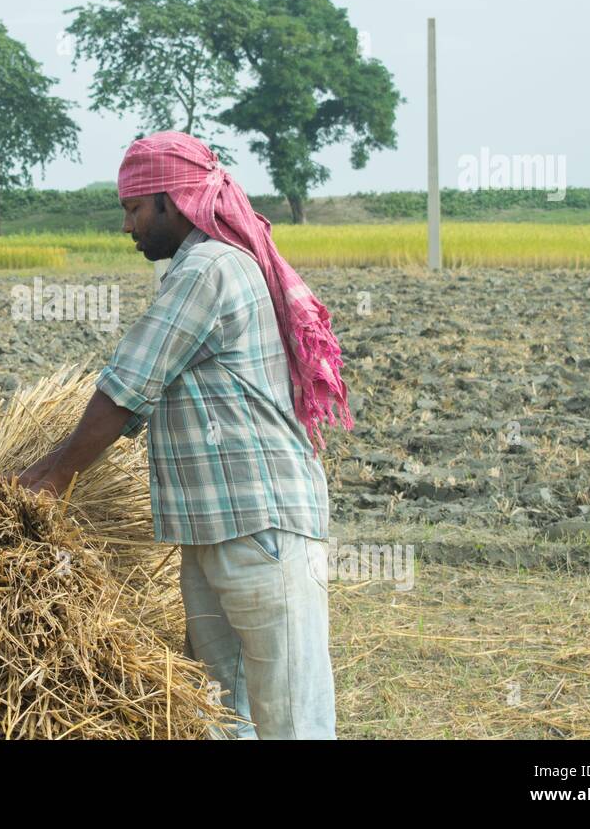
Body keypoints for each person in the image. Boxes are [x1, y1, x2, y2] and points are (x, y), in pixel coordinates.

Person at [18, 131, 352, 739]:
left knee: (291, 720)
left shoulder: (209, 268)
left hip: (260, 527)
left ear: (172, 202)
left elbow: (127, 387)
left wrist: (52, 478)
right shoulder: (202, 265)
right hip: (214, 530)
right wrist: (45, 470)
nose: (127, 226)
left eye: (133, 208)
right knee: (219, 716)